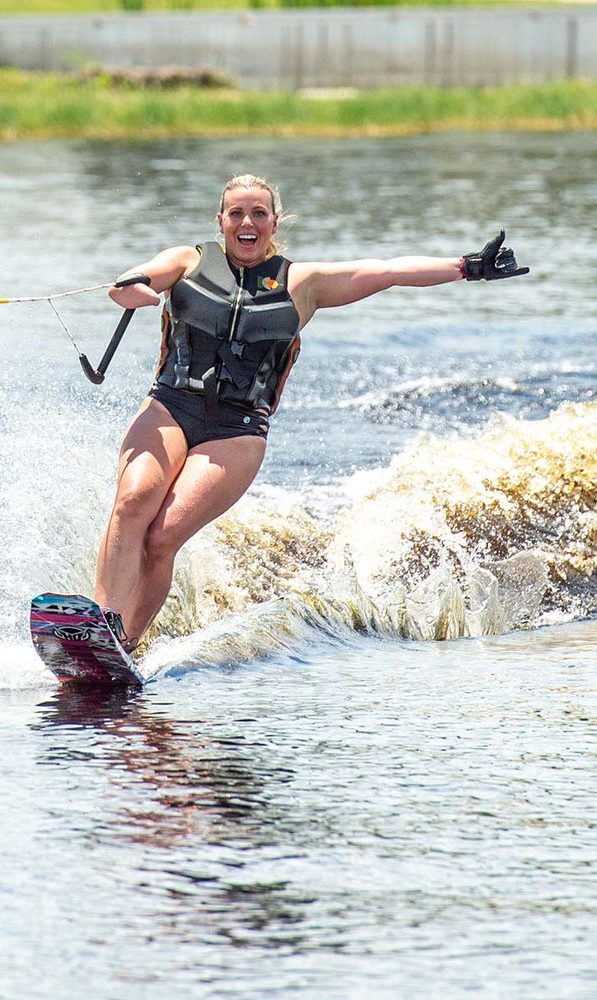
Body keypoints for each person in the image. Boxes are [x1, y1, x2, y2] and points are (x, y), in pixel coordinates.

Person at [95, 173, 528, 653]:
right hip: (170, 407)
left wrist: (466, 267)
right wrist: (130, 289)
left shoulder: (302, 283)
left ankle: (123, 646)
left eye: (259, 213)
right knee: (133, 504)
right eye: (236, 212)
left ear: (273, 222)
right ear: (220, 221)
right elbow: (138, 279)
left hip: (236, 431)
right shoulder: (187, 260)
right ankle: (98, 627)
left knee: (162, 537)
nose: (247, 222)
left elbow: (387, 271)